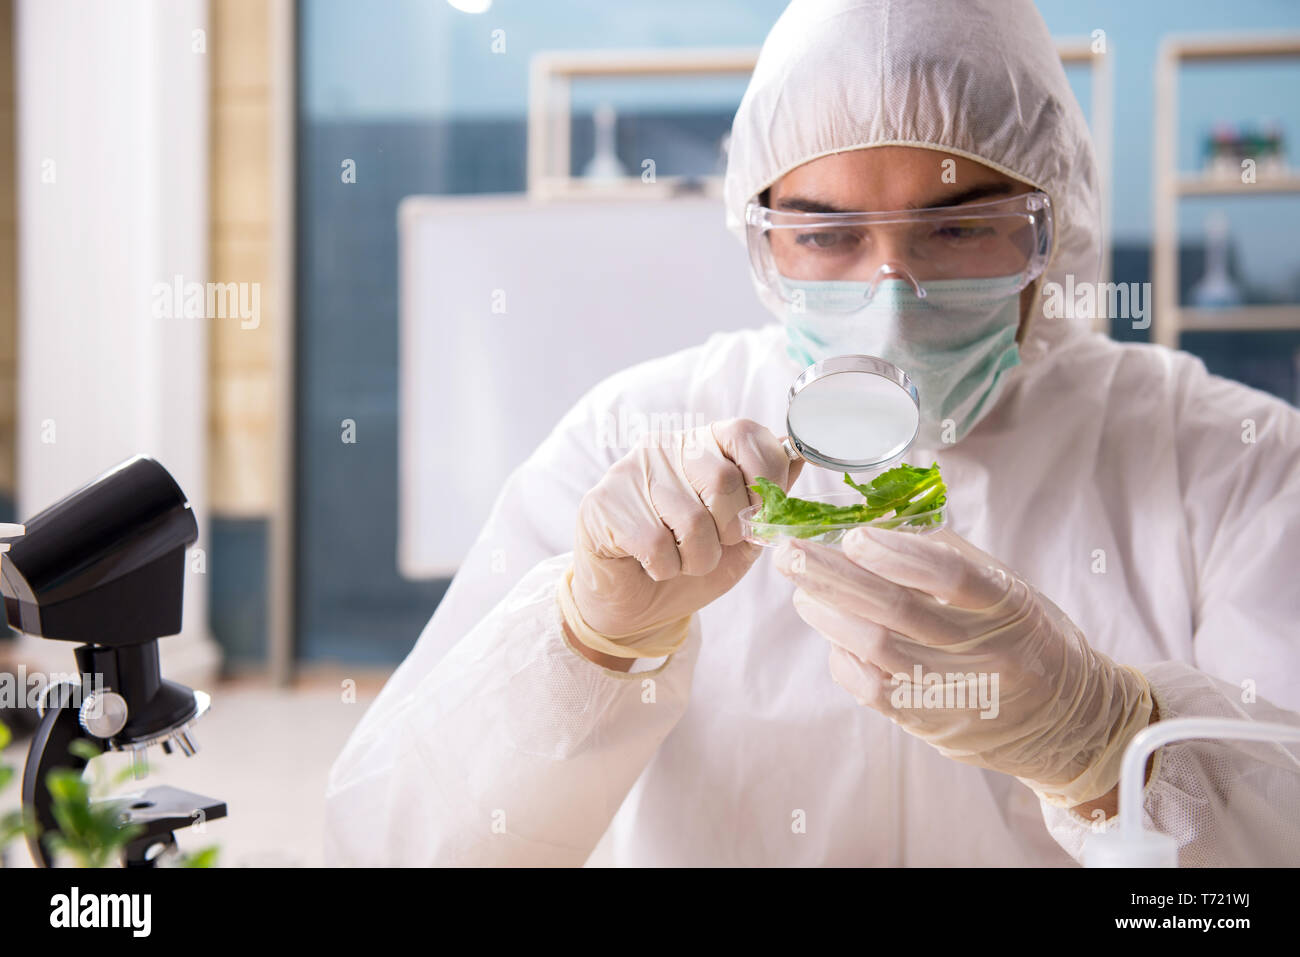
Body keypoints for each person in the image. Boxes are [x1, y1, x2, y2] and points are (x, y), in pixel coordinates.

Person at [324, 0, 1300, 866]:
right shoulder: (628, 441)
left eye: (958, 229)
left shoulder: (1227, 464)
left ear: (1054, 222)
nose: (890, 298)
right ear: (761, 241)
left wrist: (1103, 745)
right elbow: (393, 848)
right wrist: (587, 645)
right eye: (828, 236)